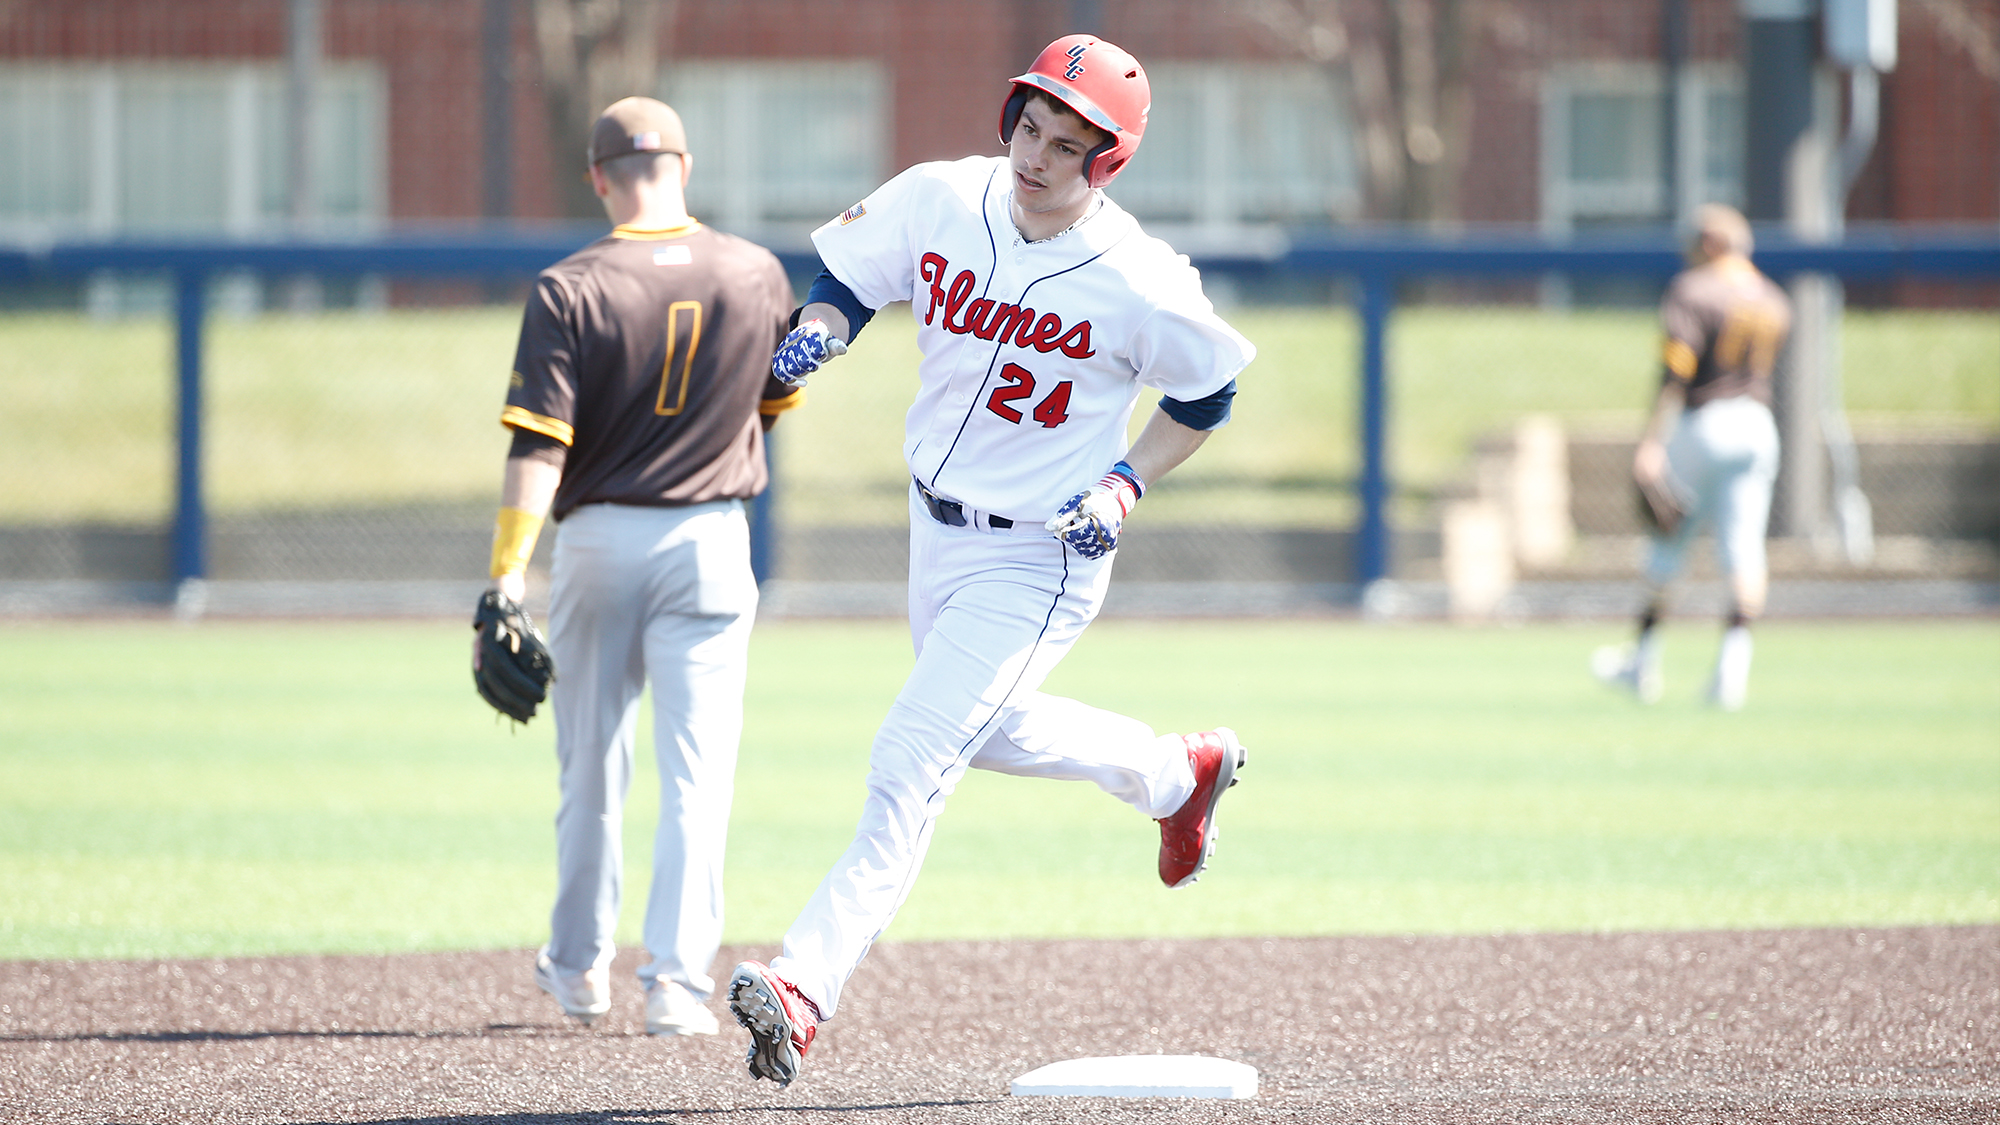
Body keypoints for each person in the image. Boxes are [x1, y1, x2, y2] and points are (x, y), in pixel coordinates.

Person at [721, 35, 1255, 1088]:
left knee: (908, 763)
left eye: (1068, 143)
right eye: (1030, 125)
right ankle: (1172, 774)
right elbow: (844, 280)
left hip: (1041, 553)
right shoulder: (939, 197)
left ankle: (802, 987)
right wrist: (821, 328)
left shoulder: (1136, 277)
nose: (1036, 154)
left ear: (1105, 162)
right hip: (934, 531)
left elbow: (1207, 393)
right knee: (984, 730)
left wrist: (1122, 481)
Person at [479, 96, 802, 1036]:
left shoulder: (569, 285)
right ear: (685, 166)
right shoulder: (755, 272)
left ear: (598, 177)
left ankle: (579, 968)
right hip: (710, 536)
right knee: (698, 777)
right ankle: (675, 986)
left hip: (598, 542)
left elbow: (540, 449)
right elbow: (771, 406)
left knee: (591, 767)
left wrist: (505, 574)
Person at [1593, 203, 1791, 711]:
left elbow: (1675, 371)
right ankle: (1733, 669)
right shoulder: (1772, 297)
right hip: (1757, 424)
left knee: (1668, 543)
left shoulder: (1694, 289)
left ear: (1709, 243)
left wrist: (1651, 440)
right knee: (1745, 552)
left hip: (1704, 421)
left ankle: (1644, 659)